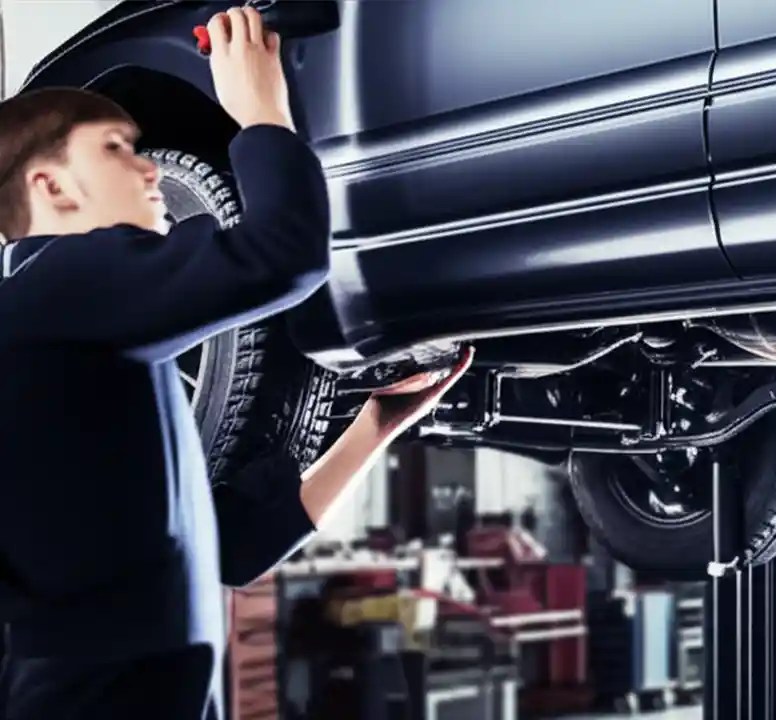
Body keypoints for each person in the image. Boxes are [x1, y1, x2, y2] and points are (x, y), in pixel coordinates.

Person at [0, 6, 473, 718]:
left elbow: (228, 550)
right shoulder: (60, 287)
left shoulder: (78, 328)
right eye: (116, 150)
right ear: (52, 189)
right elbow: (279, 255)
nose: (151, 165)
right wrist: (259, 110)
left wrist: (376, 427)